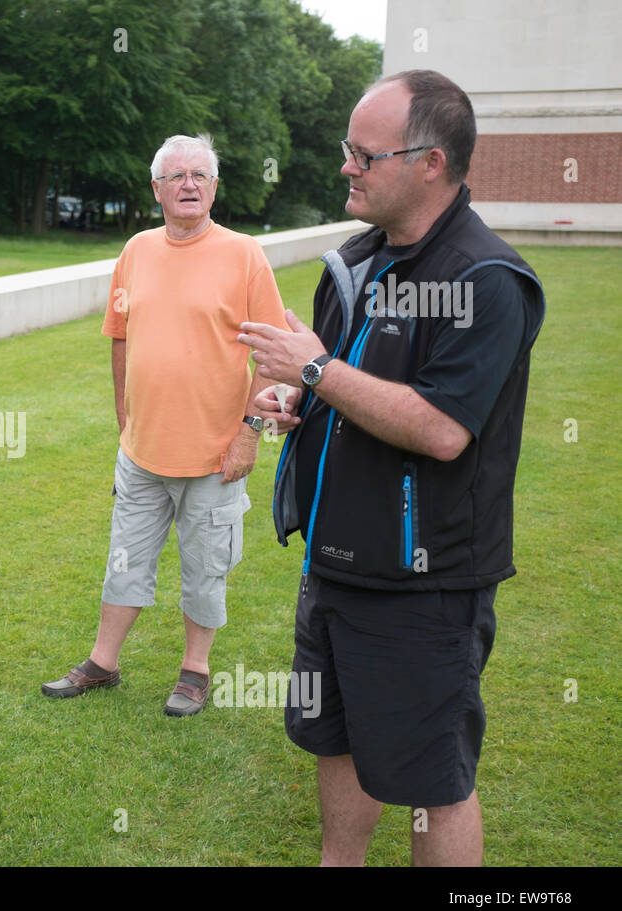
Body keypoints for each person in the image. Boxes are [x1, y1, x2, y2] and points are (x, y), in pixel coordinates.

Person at [238, 70, 544, 865]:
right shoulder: (355, 262)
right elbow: (348, 388)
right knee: (334, 740)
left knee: (432, 781)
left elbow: (444, 430)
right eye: (348, 150)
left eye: (363, 154)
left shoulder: (486, 280)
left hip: (425, 582)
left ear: (431, 162)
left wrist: (316, 374)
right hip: (334, 562)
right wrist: (298, 400)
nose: (346, 166)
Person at [41, 133, 286, 717]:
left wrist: (250, 433)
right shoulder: (136, 251)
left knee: (206, 568)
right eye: (176, 176)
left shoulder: (244, 254)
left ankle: (194, 671)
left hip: (215, 455)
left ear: (215, 187)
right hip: (142, 453)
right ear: (157, 190)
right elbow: (121, 337)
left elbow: (274, 358)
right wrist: (125, 420)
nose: (189, 185)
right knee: (124, 559)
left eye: (200, 175)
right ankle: (103, 663)